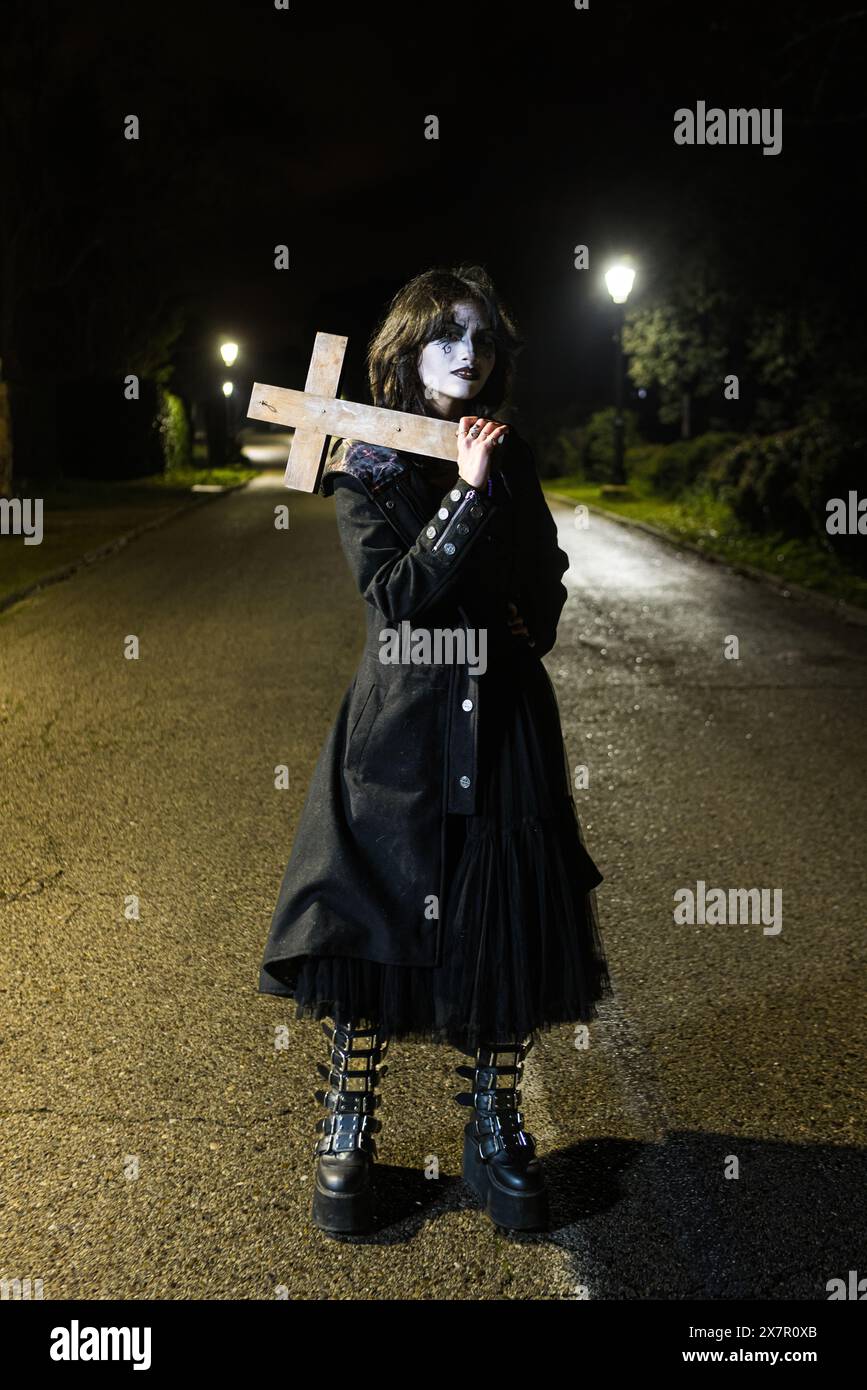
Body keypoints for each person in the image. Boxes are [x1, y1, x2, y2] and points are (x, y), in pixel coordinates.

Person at [258, 264, 613, 1235]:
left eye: (484, 337)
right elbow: (398, 600)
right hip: (404, 726)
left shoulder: (514, 454)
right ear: (406, 350)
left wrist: (533, 613)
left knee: (504, 921)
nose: (471, 351)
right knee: (372, 918)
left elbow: (545, 572)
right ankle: (348, 1123)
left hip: (505, 723)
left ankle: (493, 1121)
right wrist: (463, 495)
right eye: (448, 334)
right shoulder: (367, 465)